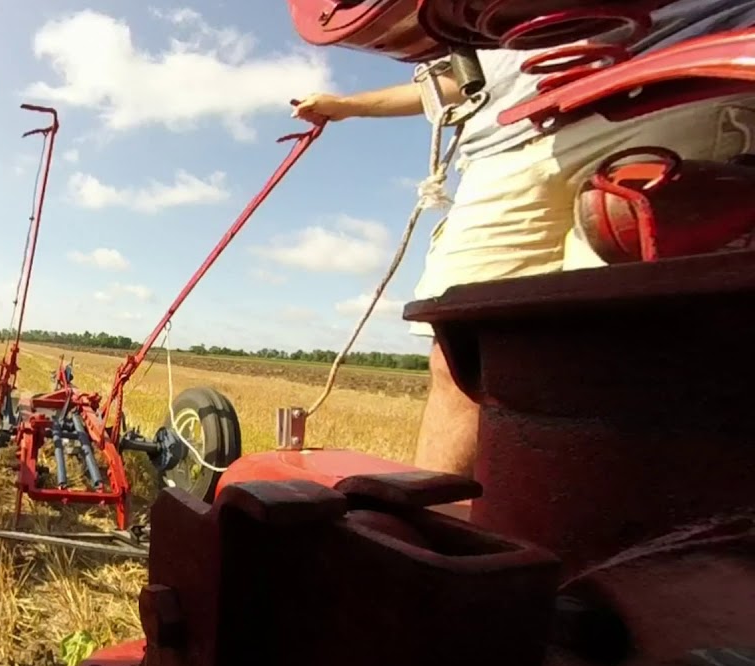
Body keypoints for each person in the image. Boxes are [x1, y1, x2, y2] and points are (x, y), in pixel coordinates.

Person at [292, 5, 755, 477]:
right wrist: (345, 107)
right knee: (460, 360)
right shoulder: (469, 23)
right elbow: (465, 78)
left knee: (610, 358)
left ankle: (586, 545)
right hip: (504, 143)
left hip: (667, 86)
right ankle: (439, 531)